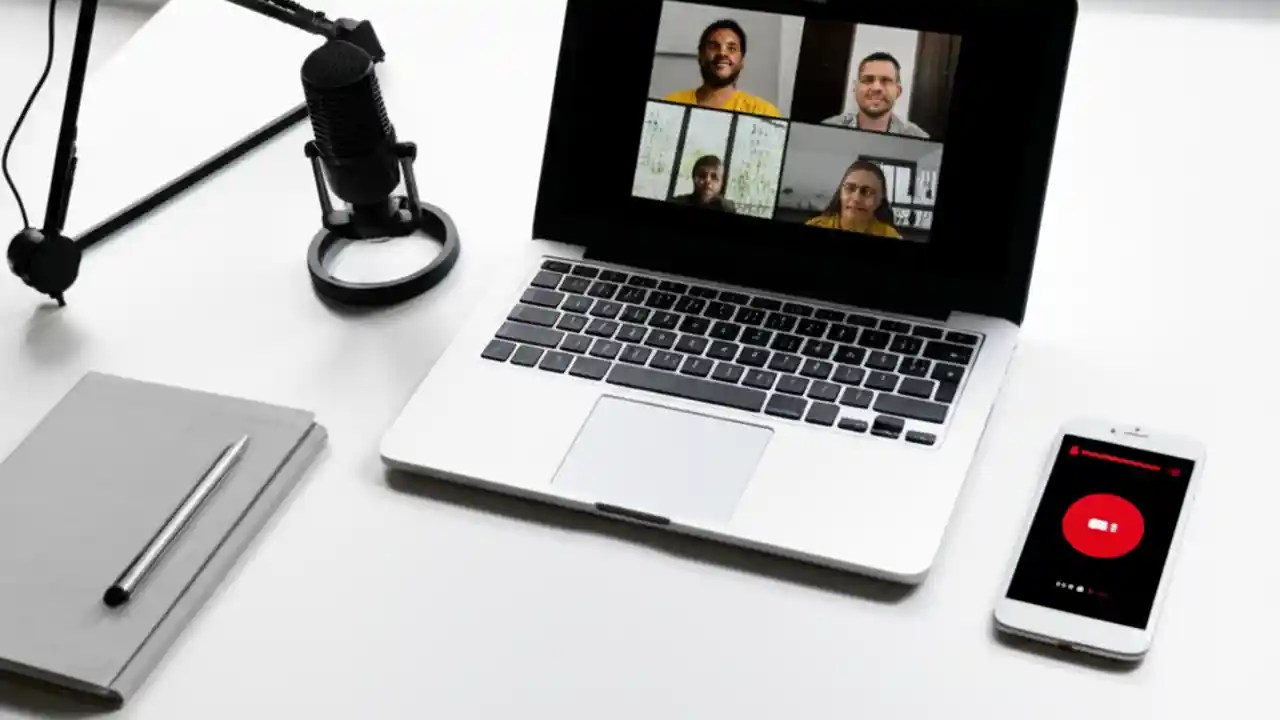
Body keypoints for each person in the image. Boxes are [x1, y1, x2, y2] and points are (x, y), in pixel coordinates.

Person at [664, 20, 782, 117]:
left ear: (742, 60)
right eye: (713, 46)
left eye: (731, 48)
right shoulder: (670, 105)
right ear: (701, 55)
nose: (722, 53)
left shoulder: (764, 113)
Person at [823, 52, 930, 138]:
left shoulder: (918, 138)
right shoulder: (826, 130)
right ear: (855, 87)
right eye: (868, 80)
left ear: (898, 91)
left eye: (886, 80)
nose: (876, 88)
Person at [805, 159, 903, 238]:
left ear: (880, 200)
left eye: (867, 192)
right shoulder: (815, 225)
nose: (856, 198)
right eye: (849, 188)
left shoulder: (890, 235)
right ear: (840, 193)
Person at [670, 155, 737, 212]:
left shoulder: (728, 208)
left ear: (722, 182)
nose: (707, 181)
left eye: (714, 177)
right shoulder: (678, 202)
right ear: (694, 178)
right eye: (702, 175)